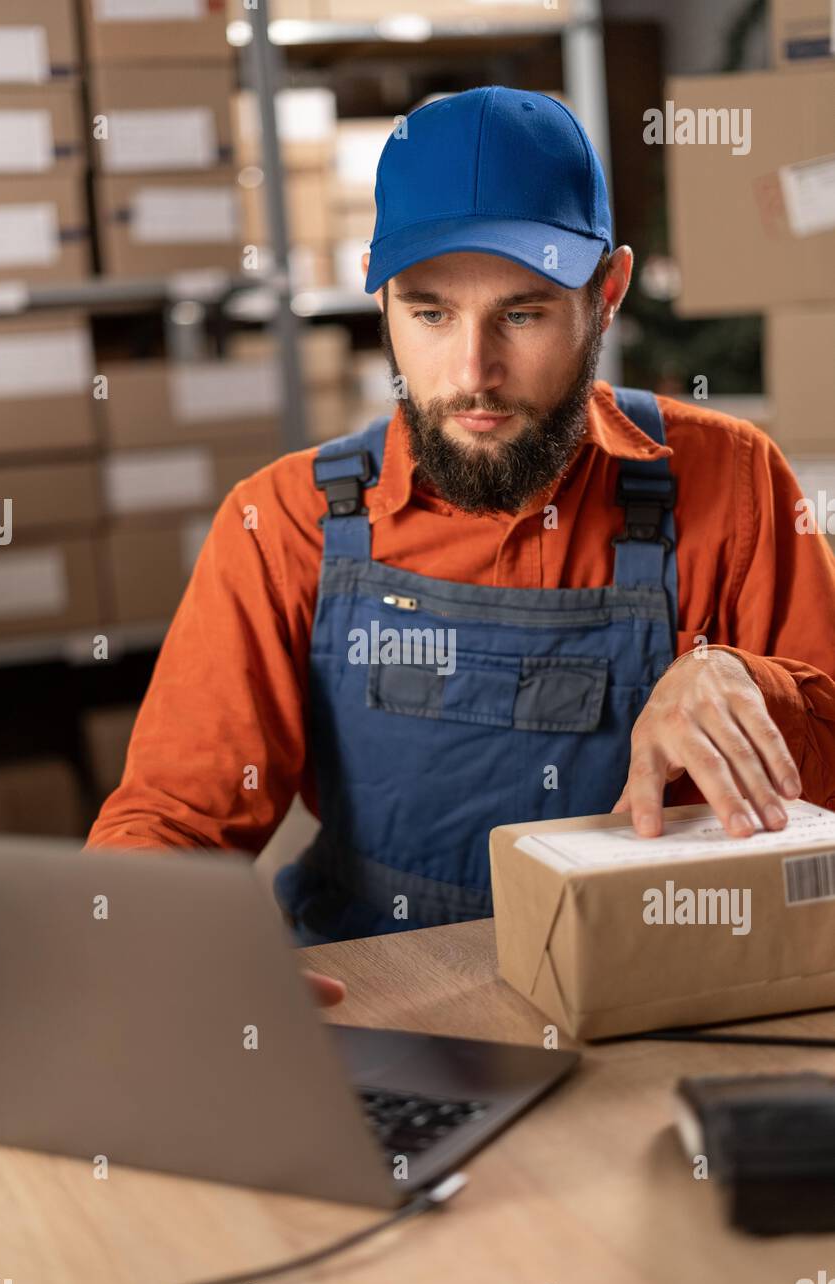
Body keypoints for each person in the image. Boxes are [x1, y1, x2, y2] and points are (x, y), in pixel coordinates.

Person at [85, 87, 835, 962]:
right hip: (380, 1015)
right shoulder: (284, 520)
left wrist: (754, 690)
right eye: (430, 312)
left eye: (522, 314)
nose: (473, 373)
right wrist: (149, 966)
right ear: (381, 300)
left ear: (609, 292)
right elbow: (172, 821)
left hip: (653, 998)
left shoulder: (731, 481)